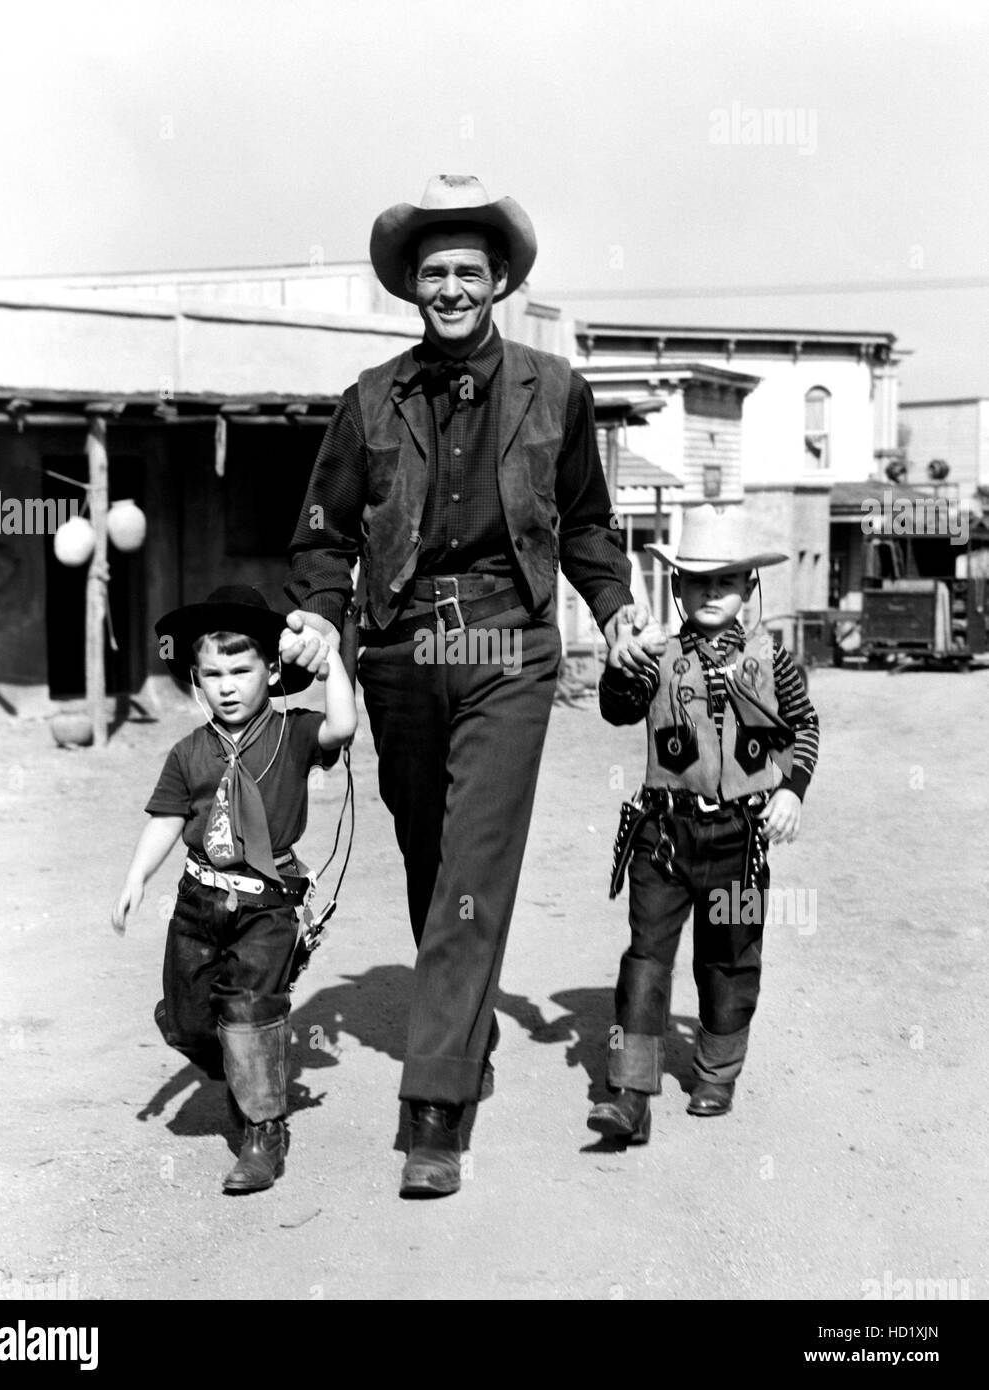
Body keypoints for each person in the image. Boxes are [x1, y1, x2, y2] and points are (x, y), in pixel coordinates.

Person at [282, 174, 648, 1198]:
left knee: (475, 857)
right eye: (434, 273)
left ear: (498, 284)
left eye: (468, 273)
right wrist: (318, 609)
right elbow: (325, 532)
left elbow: (584, 522)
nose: (450, 289)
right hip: (402, 645)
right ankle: (464, 1026)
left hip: (507, 641)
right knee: (430, 857)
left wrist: (615, 608)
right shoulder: (369, 398)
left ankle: (435, 1108)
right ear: (412, 286)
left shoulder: (554, 388)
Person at [111, 585, 357, 1193]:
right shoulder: (189, 751)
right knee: (194, 1023)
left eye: (241, 671)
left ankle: (262, 1133)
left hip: (267, 903)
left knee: (249, 1011)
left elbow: (345, 725)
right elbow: (168, 818)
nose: (227, 686)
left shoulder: (295, 733)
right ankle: (236, 1050)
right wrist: (136, 876)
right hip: (197, 902)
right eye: (212, 674)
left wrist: (331, 663)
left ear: (271, 671)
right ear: (196, 680)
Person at [587, 504, 820, 1143]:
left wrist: (793, 791)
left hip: (739, 841)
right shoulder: (654, 655)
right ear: (677, 588)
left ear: (750, 588)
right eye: (696, 581)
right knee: (645, 959)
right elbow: (616, 708)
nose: (711, 592)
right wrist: (618, 660)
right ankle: (631, 1093)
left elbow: (803, 729)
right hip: (664, 838)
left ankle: (717, 1071)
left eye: (726, 580)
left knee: (728, 956)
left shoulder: (773, 661)